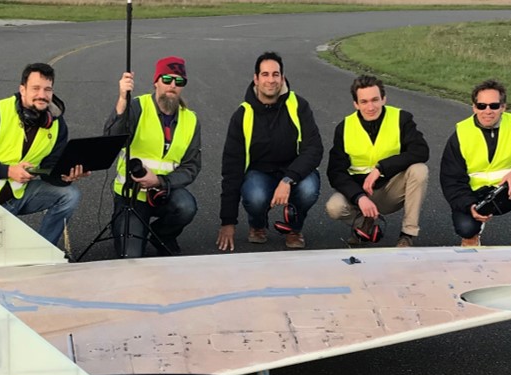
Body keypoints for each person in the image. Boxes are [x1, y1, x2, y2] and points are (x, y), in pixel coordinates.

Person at [0, 62, 88, 247]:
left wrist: (66, 176)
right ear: (22, 89)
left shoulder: (57, 125)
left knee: (69, 195)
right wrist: (8, 171)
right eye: (35, 88)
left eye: (47, 89)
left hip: (17, 195)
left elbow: (49, 170)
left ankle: (43, 251)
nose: (42, 95)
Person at [216, 51, 323, 251]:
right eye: (265, 74)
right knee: (255, 196)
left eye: (275, 74)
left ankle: (295, 228)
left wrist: (288, 179)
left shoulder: (299, 106)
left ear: (282, 78)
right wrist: (227, 222)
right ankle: (257, 224)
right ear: (256, 79)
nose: (271, 80)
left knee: (308, 189)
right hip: (259, 174)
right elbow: (231, 170)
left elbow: (314, 148)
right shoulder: (242, 115)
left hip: (294, 172)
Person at [103, 56, 200, 257]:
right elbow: (110, 139)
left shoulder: (191, 120)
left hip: (164, 192)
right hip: (131, 195)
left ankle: (161, 234)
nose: (172, 85)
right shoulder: (137, 107)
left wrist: (160, 181)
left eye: (179, 81)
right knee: (130, 257)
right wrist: (122, 100)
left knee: (186, 207)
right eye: (166, 79)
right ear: (156, 81)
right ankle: (128, 228)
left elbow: (191, 166)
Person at [439, 79, 511, 246]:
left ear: (503, 107)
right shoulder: (461, 134)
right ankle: (473, 232)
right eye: (482, 106)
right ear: (474, 107)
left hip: (507, 190)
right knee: (466, 228)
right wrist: (469, 206)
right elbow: (450, 180)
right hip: (475, 195)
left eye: (494, 106)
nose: (487, 111)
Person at [325, 74, 429, 248]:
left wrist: (381, 169)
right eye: (364, 102)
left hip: (391, 190)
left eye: (375, 100)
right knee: (334, 207)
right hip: (360, 194)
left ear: (384, 99)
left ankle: (407, 234)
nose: (371, 107)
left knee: (420, 170)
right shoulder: (344, 128)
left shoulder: (401, 119)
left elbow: (421, 151)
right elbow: (335, 172)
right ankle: (365, 226)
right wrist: (358, 197)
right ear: (356, 104)